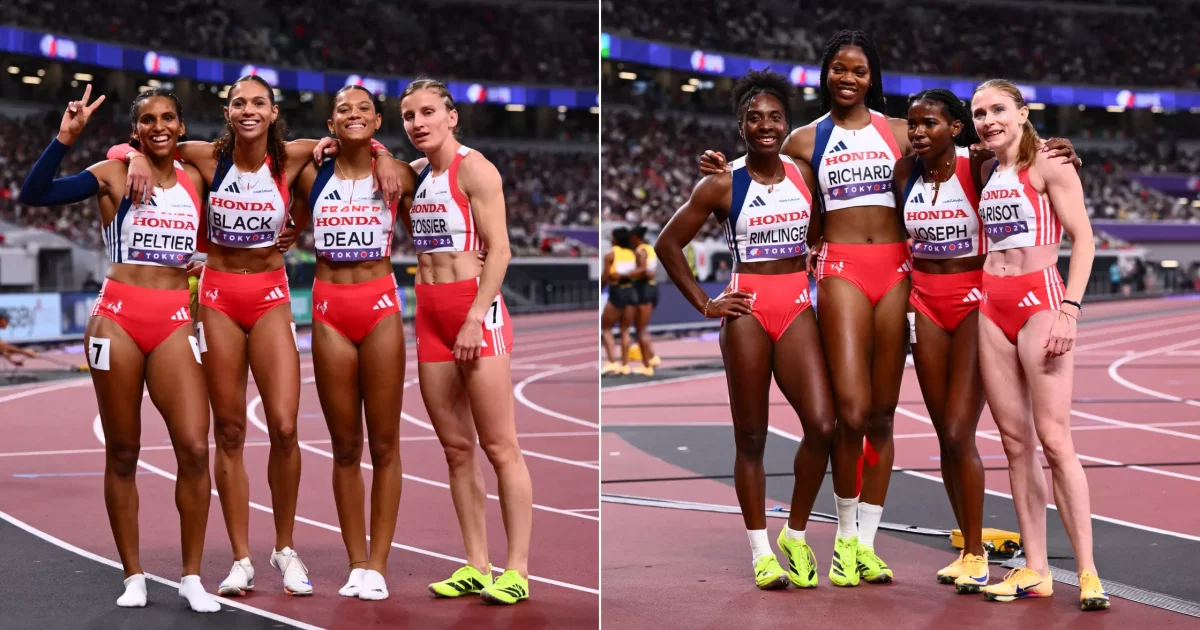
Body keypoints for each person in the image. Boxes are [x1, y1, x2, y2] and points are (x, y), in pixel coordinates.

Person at [700, 31, 1082, 586]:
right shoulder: (804, 140)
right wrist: (719, 166)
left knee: (881, 414)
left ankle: (862, 545)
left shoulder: (905, 132)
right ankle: (844, 533)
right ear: (825, 75)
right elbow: (759, 164)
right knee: (849, 412)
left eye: (858, 70)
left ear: (871, 77)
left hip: (901, 273)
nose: (847, 78)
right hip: (841, 271)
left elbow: (992, 152)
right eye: (837, 69)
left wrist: (1057, 147)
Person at [109, 74, 404, 597]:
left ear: (273, 112)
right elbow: (146, 144)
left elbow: (359, 135)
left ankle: (284, 548)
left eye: (258, 103)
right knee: (228, 431)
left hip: (270, 295)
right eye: (238, 103)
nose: (248, 110)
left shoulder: (294, 157)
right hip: (219, 296)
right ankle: (241, 557)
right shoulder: (202, 156)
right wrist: (130, 153)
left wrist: (380, 153)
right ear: (227, 112)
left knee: (285, 425)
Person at [18, 86, 220, 613]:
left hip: (175, 318)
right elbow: (35, 194)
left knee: (196, 448)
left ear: (180, 126)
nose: (159, 126)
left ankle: (192, 576)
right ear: (135, 130)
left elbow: (256, 173)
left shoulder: (198, 177)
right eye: (148, 120)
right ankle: (133, 574)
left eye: (168, 118)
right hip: (117, 321)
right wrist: (65, 139)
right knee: (124, 450)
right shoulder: (112, 175)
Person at [657, 70, 836, 590]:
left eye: (774, 117)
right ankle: (760, 550)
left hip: (798, 304)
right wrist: (705, 303)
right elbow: (668, 245)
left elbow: (822, 230)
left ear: (786, 123)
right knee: (752, 437)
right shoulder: (720, 182)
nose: (765, 125)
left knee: (823, 425)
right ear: (740, 125)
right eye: (754, 117)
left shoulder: (805, 173)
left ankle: (795, 534)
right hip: (748, 313)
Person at [970, 79, 1108, 611]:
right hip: (992, 304)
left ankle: (1090, 573)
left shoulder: (1051, 162)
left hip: (1041, 302)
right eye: (980, 113)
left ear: (1023, 113)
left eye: (999, 109)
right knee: (1014, 443)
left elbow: (1085, 239)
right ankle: (1036, 569)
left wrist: (1070, 312)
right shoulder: (985, 169)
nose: (988, 120)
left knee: (1054, 439)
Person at [399, 77, 533, 605]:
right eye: (409, 116)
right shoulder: (410, 176)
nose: (418, 124)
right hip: (429, 312)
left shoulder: (473, 168)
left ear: (452, 116)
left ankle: (517, 570)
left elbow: (499, 250)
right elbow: (359, 162)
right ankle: (477, 564)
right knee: (456, 448)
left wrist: (477, 315)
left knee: (500, 446)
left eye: (428, 112)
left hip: (474, 310)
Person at [283, 85, 415, 600]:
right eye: (343, 109)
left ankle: (379, 565)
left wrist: (384, 155)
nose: (353, 115)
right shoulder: (311, 174)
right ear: (331, 123)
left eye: (363, 109)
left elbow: (431, 229)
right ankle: (356, 562)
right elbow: (257, 167)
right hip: (329, 309)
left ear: (377, 121)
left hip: (379, 307)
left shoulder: (398, 174)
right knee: (344, 447)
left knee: (385, 445)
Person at [601, 228, 637, 376]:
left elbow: (606, 275)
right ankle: (625, 365)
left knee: (607, 328)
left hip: (617, 292)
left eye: (612, 237)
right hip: (631, 292)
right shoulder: (632, 254)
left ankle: (611, 362)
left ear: (615, 239)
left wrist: (600, 288)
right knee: (625, 330)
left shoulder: (610, 254)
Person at [628, 225, 661, 375]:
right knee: (643, 328)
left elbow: (644, 270)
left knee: (640, 329)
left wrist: (626, 275)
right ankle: (652, 358)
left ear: (635, 237)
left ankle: (646, 366)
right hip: (651, 289)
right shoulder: (649, 248)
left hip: (644, 290)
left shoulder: (641, 250)